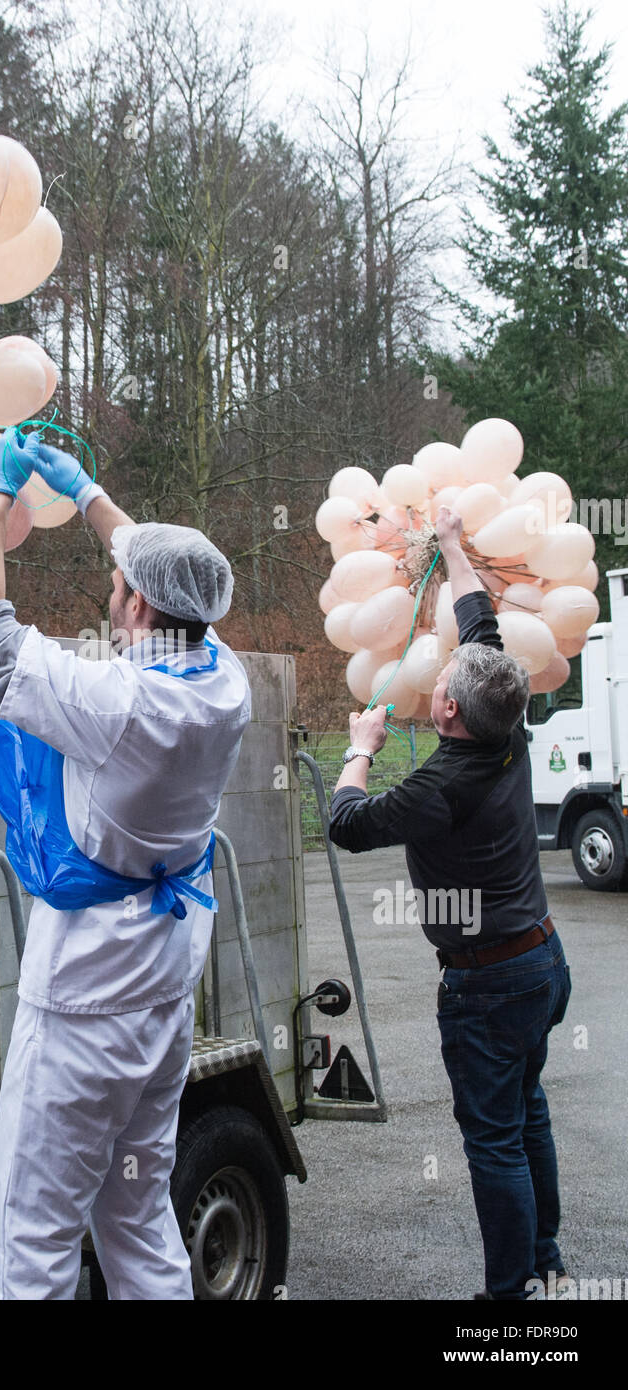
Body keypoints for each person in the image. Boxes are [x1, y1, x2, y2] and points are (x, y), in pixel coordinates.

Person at [0, 428, 252, 1300]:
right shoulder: (221, 679)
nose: (109, 589)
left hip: (84, 1000)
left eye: (116, 586)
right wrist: (83, 492)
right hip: (159, 990)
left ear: (141, 610)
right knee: (139, 1214)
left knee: (33, 1236)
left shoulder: (118, 702)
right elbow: (146, 558)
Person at [327, 505, 572, 1302]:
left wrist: (360, 749)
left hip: (490, 984)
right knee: (526, 1111)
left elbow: (345, 825)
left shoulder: (440, 786)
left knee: (495, 1138)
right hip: (540, 963)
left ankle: (510, 1301)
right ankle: (544, 1259)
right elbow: (479, 617)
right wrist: (455, 547)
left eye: (440, 685)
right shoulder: (509, 716)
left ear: (447, 713)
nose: (436, 680)